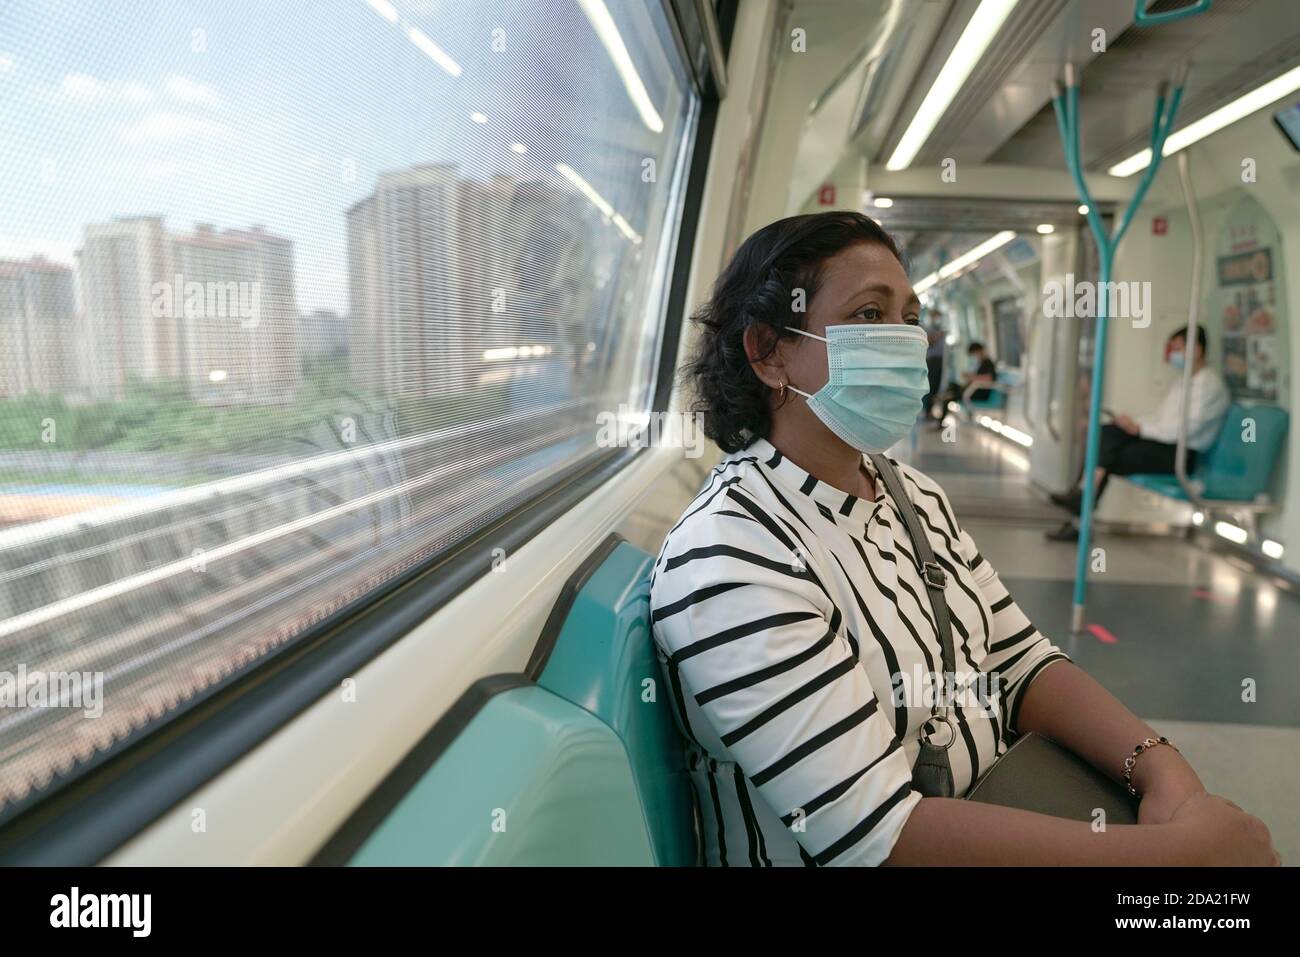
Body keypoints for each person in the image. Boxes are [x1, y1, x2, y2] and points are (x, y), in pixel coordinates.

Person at [650, 210, 1277, 866]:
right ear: (768, 352)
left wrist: (1158, 769)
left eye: (909, 315)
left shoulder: (910, 495)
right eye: (869, 315)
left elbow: (1020, 662)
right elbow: (879, 838)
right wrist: (1170, 858)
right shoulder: (732, 559)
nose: (902, 339)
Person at [1046, 325, 1229, 542]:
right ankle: (1082, 501)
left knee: (1107, 455)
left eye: (1179, 349)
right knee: (1108, 433)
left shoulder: (1209, 386)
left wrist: (1140, 429)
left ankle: (1082, 503)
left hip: (1181, 455)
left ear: (1197, 350)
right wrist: (1133, 424)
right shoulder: (1183, 381)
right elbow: (1162, 419)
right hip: (1164, 445)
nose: (1175, 356)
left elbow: (1184, 431)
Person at [932, 341, 996, 423]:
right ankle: (943, 395)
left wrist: (972, 377)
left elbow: (989, 378)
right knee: (952, 385)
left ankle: (940, 420)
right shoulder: (981, 363)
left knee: (949, 398)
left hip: (979, 392)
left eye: (975, 354)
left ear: (979, 351)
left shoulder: (988, 363)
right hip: (973, 390)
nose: (975, 356)